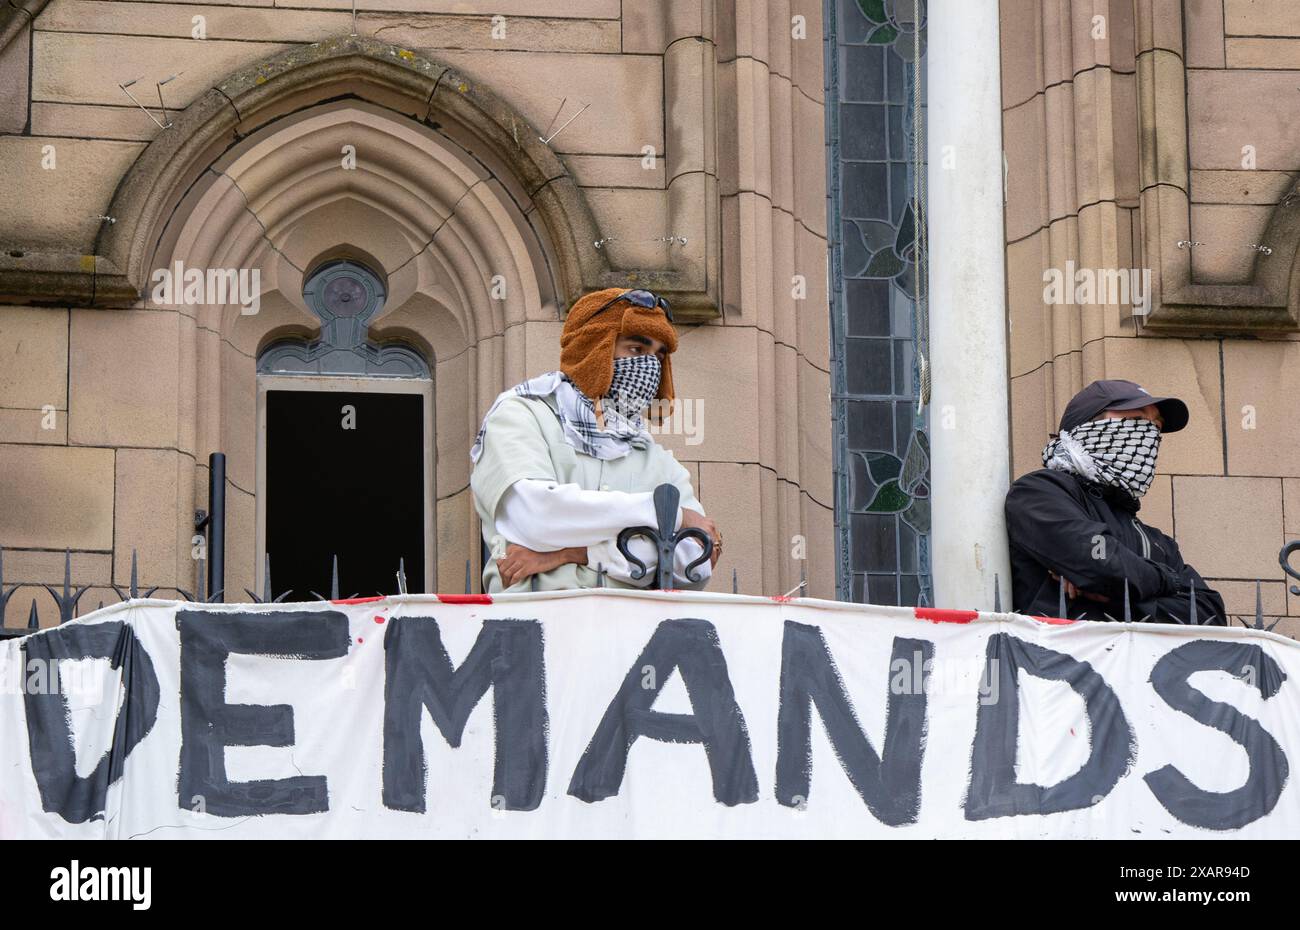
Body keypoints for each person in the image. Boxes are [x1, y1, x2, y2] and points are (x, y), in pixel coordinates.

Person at [469, 287, 720, 592]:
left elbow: (693, 559)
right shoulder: (520, 417)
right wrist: (671, 516)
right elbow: (536, 518)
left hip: (635, 631)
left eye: (658, 355)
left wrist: (572, 553)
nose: (649, 367)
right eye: (636, 350)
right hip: (535, 625)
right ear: (594, 349)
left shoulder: (655, 458)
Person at [1004, 379, 1225, 624]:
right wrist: (1167, 581)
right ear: (1088, 425)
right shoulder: (1038, 492)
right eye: (1139, 420)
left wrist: (1115, 594)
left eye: (1156, 426)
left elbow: (1209, 613)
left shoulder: (1158, 542)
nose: (1150, 434)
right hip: (1064, 659)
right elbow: (1099, 563)